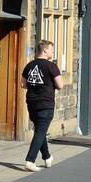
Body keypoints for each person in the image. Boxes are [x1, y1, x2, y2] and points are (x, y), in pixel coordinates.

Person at [21, 39, 64, 171]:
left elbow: (23, 84)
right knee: (40, 131)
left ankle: (47, 157)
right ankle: (30, 160)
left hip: (32, 102)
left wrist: (35, 85)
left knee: (40, 130)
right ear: (45, 50)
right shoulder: (51, 66)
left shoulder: (29, 65)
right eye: (51, 49)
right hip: (45, 102)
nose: (52, 52)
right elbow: (60, 85)